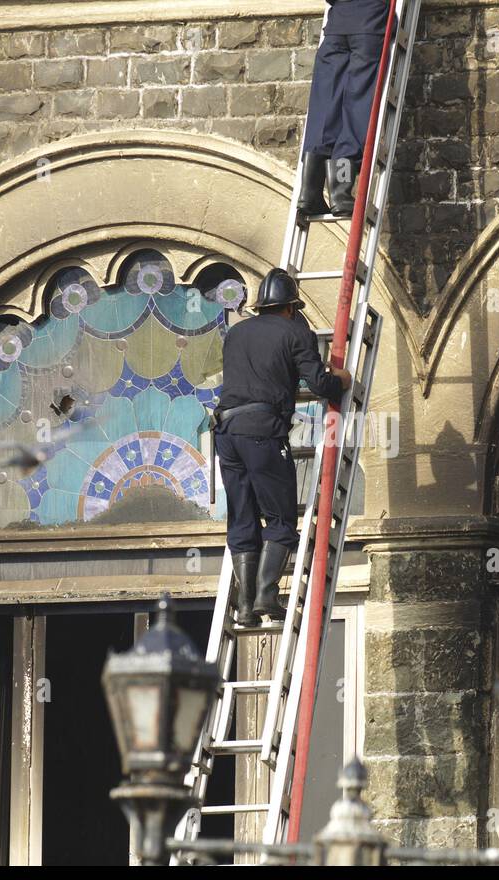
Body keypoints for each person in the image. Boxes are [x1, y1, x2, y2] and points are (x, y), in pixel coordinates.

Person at [215, 269, 352, 626]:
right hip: (262, 432)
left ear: (261, 306)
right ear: (291, 307)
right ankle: (265, 596)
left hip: (226, 433)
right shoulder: (295, 332)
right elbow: (320, 385)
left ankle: (244, 609)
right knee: (280, 518)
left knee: (242, 518)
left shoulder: (236, 333)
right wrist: (341, 379)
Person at [298, 0, 393, 218]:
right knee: (357, 105)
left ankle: (309, 191)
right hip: (370, 21)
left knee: (324, 108)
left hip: (336, 28)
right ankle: (340, 192)